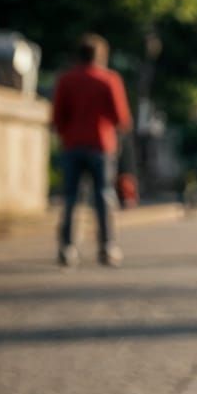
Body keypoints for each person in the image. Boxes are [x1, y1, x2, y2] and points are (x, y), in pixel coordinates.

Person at [50, 35, 130, 268]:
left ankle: (67, 247)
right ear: (101, 56)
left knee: (71, 198)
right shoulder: (109, 79)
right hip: (101, 145)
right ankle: (107, 246)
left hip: (72, 145)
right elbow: (121, 118)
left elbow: (57, 117)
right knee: (103, 196)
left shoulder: (66, 80)